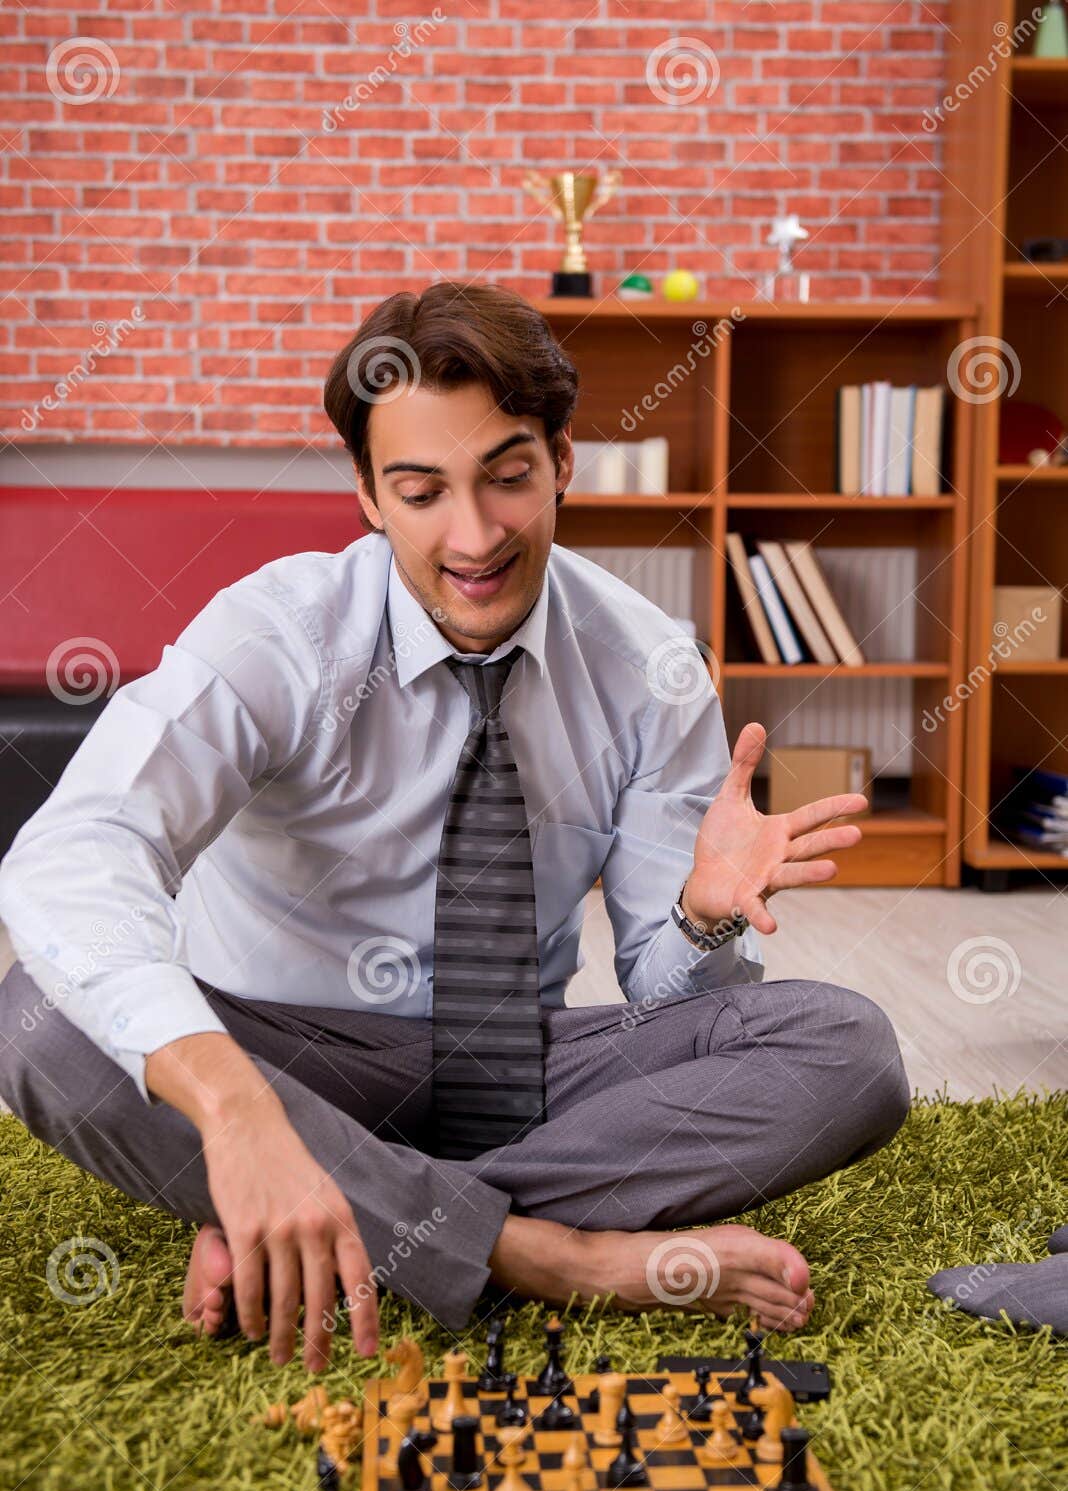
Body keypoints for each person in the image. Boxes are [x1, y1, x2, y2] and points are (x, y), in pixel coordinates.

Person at [0, 281, 910, 1375]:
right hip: (290, 1057)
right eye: (423, 491)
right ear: (369, 495)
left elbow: (672, 1002)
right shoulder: (278, 634)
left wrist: (702, 919)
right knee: (36, 1019)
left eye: (508, 477)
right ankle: (553, 1256)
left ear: (563, 460)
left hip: (517, 1076)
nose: (472, 536)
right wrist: (237, 1111)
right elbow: (76, 851)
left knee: (846, 1049)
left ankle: (326, 1214)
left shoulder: (649, 663)